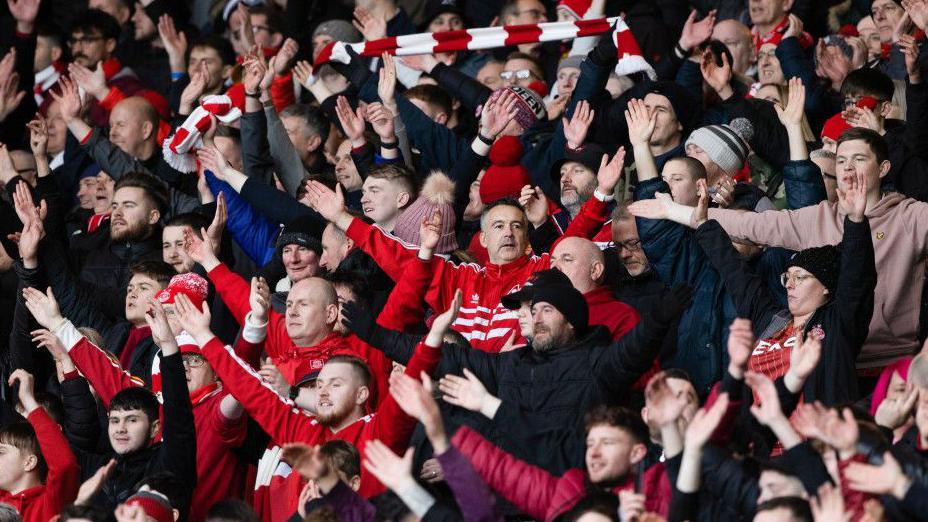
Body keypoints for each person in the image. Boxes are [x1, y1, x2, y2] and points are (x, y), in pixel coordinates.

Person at [0, 370, 80, 522]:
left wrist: (28, 401)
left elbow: (64, 465)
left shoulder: (51, 503)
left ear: (29, 462)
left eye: (1, 452)